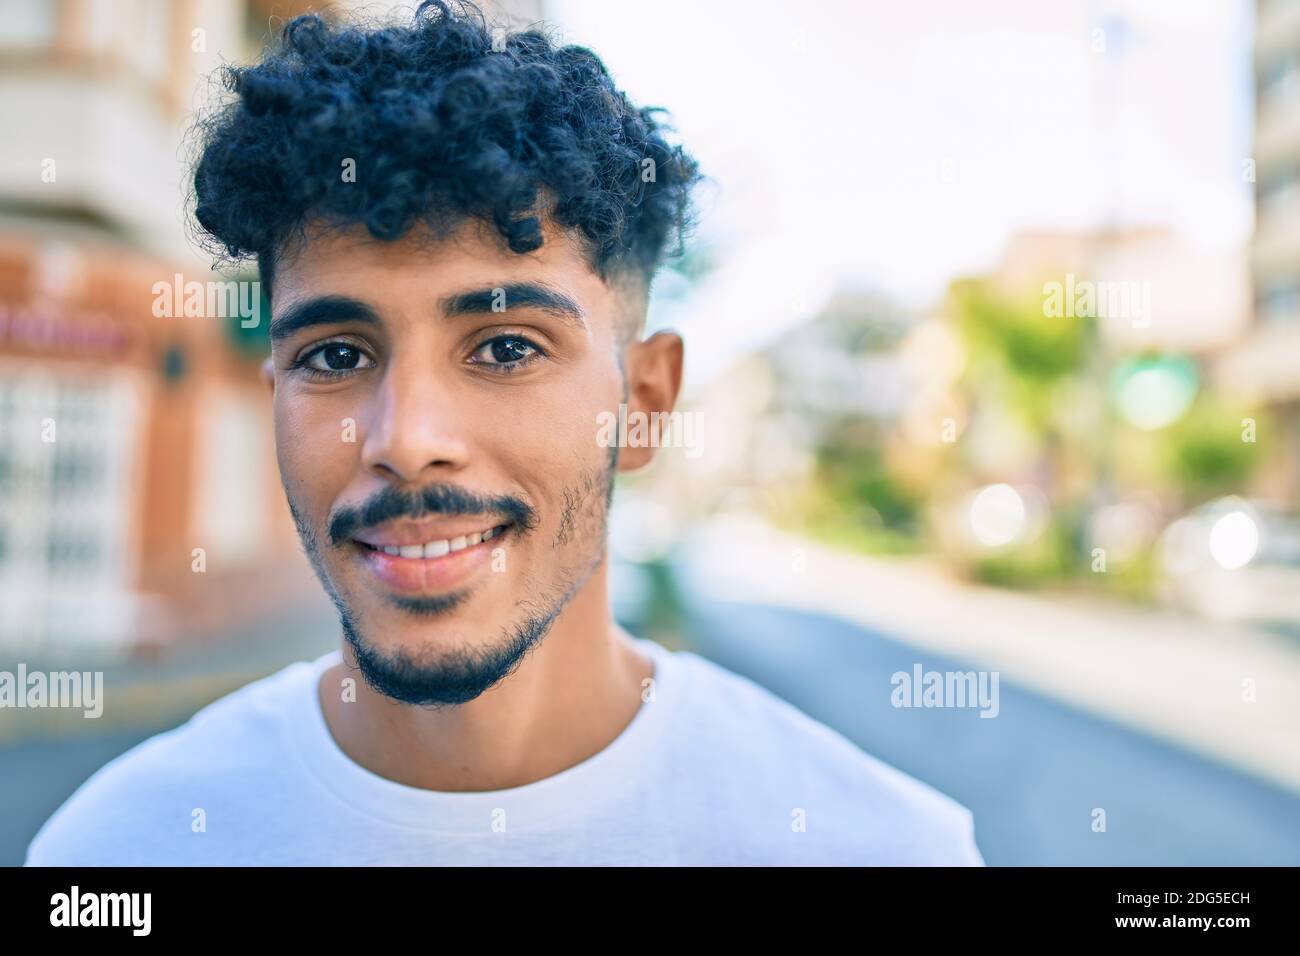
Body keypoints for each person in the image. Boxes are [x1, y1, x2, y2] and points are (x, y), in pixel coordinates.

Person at [26, 0, 983, 866]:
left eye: (506, 347)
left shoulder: (884, 849)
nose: (406, 439)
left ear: (644, 400)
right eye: (334, 357)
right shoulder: (119, 850)